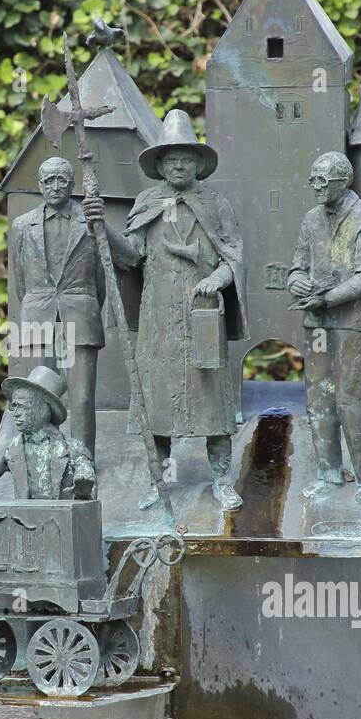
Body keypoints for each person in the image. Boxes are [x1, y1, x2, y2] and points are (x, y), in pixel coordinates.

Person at [90, 109, 247, 511]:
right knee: (156, 407)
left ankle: (222, 481)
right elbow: (130, 258)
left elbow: (235, 258)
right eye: (171, 159)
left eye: (186, 158)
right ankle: (157, 484)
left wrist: (218, 279)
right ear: (159, 164)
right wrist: (103, 228)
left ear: (198, 163)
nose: (179, 165)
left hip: (202, 317)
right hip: (159, 321)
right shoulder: (147, 202)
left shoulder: (216, 205)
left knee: (213, 405)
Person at [287, 151, 361, 503]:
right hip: (317, 323)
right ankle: (327, 473)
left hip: (350, 324)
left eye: (322, 181)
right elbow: (296, 266)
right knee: (318, 399)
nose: (315, 186)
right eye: (312, 179)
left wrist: (327, 298)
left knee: (348, 401)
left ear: (344, 181)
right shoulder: (311, 219)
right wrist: (296, 282)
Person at [9, 156, 106, 453]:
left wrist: (82, 305)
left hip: (80, 315)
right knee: (38, 394)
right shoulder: (22, 226)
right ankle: (43, 457)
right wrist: (38, 305)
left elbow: (101, 278)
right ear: (39, 185)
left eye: (62, 179)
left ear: (72, 184)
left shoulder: (90, 223)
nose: (55, 186)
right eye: (48, 180)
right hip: (38, 315)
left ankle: (83, 461)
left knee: (82, 397)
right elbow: (21, 277)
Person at [0, 366, 97, 501]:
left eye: (23, 406)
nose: (16, 413)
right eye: (14, 407)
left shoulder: (74, 449)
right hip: (23, 522)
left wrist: (83, 493)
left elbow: (89, 493)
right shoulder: (9, 449)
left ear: (44, 409)